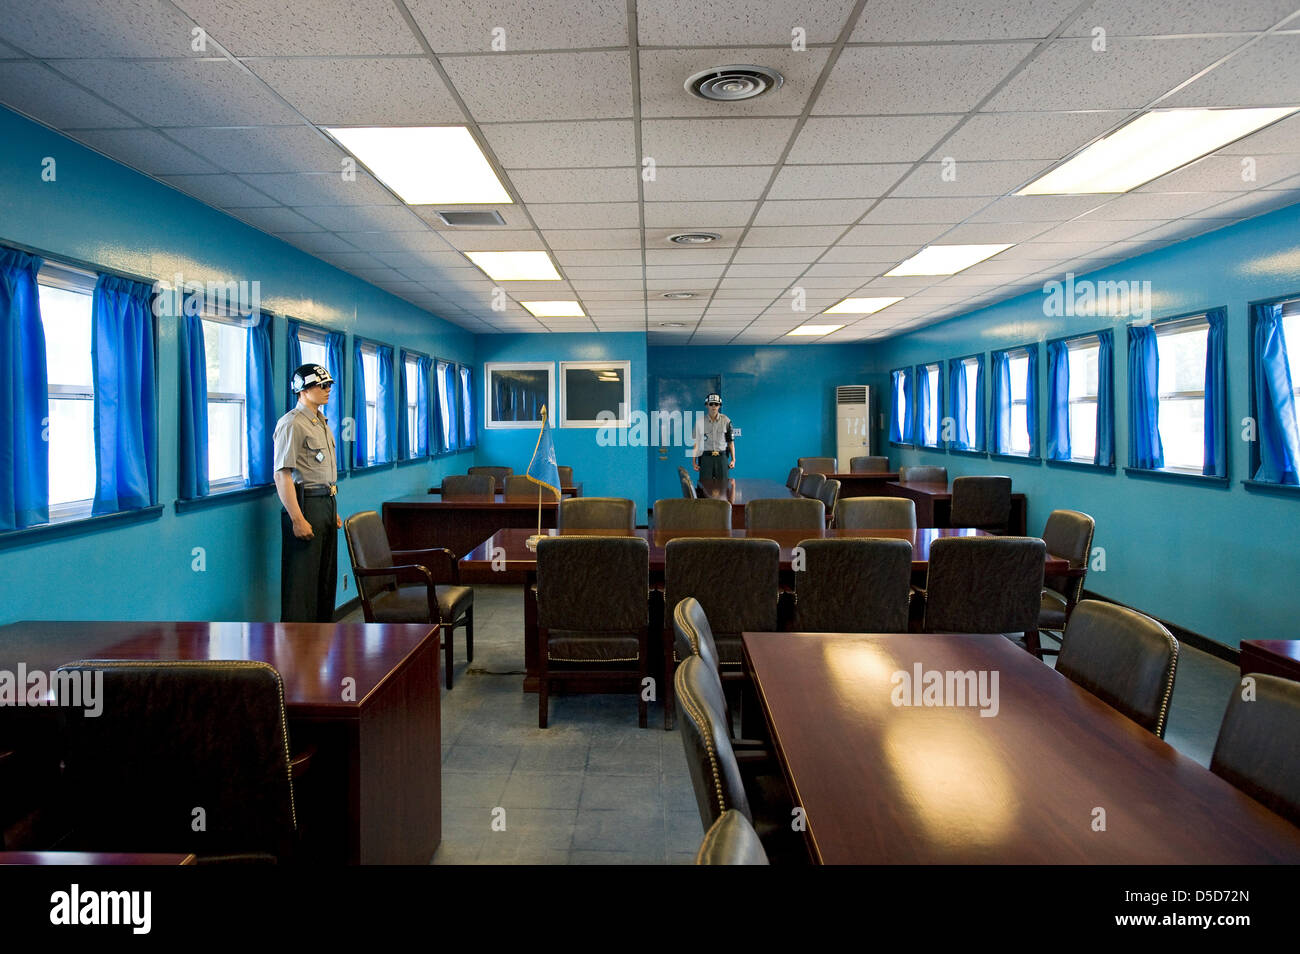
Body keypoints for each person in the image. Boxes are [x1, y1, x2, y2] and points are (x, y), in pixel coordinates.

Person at [273, 363, 341, 623]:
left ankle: (321, 644)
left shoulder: (321, 422)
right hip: (305, 505)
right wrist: (297, 519)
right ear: (303, 389)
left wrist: (333, 509)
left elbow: (322, 471)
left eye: (328, 386)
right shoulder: (292, 423)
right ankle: (296, 650)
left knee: (325, 581)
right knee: (301, 584)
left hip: (326, 503)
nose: (327, 390)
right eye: (321, 386)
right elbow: (282, 475)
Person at [691, 392, 734, 483]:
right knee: (705, 485)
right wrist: (694, 461)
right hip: (706, 458)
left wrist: (733, 459)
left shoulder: (726, 420)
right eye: (711, 404)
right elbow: (696, 444)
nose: (713, 406)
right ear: (707, 405)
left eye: (716, 404)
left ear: (719, 406)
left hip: (721, 458)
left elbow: (730, 442)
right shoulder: (700, 422)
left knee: (723, 485)